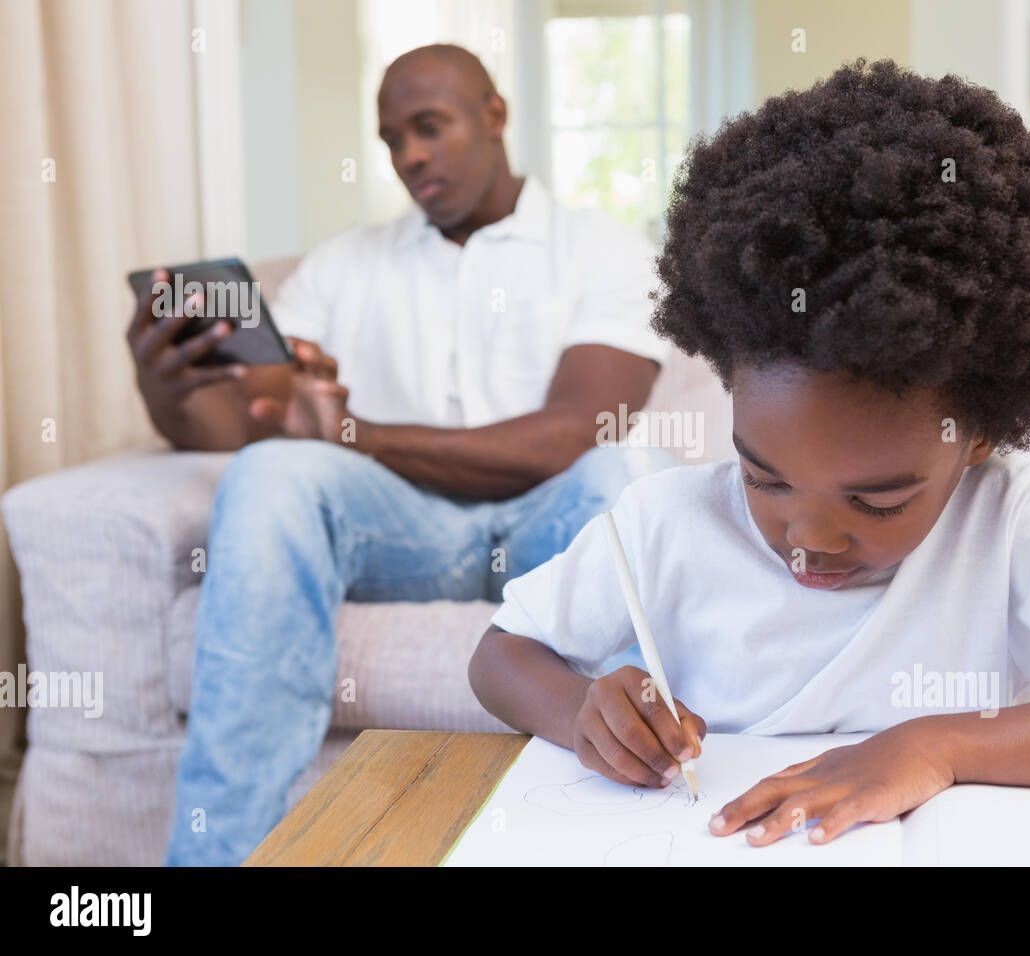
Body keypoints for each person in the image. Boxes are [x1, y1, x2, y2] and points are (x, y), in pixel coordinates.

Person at [468, 58, 1030, 850]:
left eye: (877, 500)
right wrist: (580, 710)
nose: (812, 537)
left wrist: (933, 746)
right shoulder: (668, 522)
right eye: (765, 478)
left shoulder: (1008, 520)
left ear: (979, 438)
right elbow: (501, 656)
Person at [128, 44, 674, 866]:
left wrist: (360, 436)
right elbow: (248, 421)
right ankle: (220, 859)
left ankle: (640, 826)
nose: (410, 155)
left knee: (604, 474)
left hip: (546, 521)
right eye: (392, 139)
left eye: (429, 127)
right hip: (403, 530)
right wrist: (168, 386)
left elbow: (576, 432)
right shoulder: (344, 266)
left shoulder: (603, 249)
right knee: (272, 472)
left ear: (494, 115)